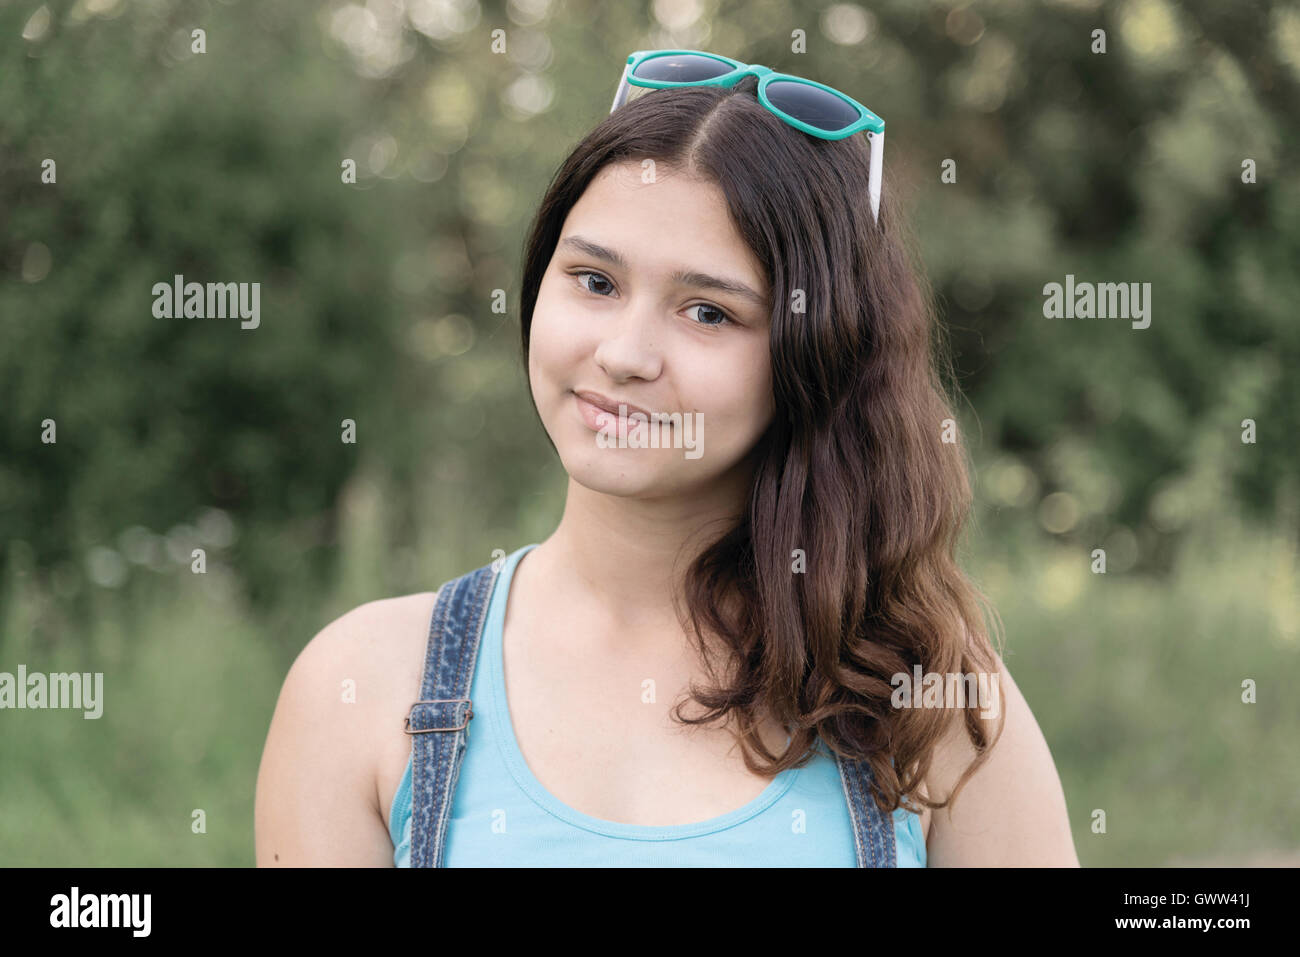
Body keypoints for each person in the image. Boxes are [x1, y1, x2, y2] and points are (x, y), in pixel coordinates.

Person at [254, 59, 1078, 867]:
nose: (624, 354)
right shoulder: (362, 688)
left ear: (820, 354)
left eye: (709, 311)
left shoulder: (930, 702)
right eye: (595, 280)